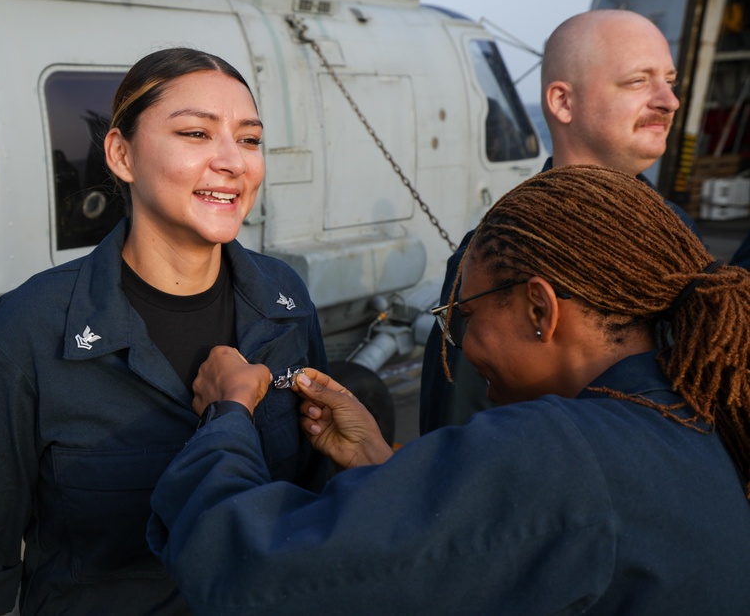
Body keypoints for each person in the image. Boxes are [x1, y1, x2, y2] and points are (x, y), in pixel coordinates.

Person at [148, 164, 750, 615]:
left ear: (540, 310)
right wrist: (383, 470)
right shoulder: (687, 412)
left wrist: (226, 413)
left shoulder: (562, 454)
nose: (461, 345)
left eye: (464, 314)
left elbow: (251, 573)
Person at [0, 48, 328, 616]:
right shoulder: (32, 329)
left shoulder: (284, 299)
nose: (234, 162)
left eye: (249, 140)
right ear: (121, 154)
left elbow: (318, 506)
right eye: (197, 134)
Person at [420, 9, 701, 434]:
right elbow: (461, 437)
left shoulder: (675, 230)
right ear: (563, 102)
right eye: (638, 81)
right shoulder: (501, 255)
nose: (669, 100)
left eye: (670, 80)